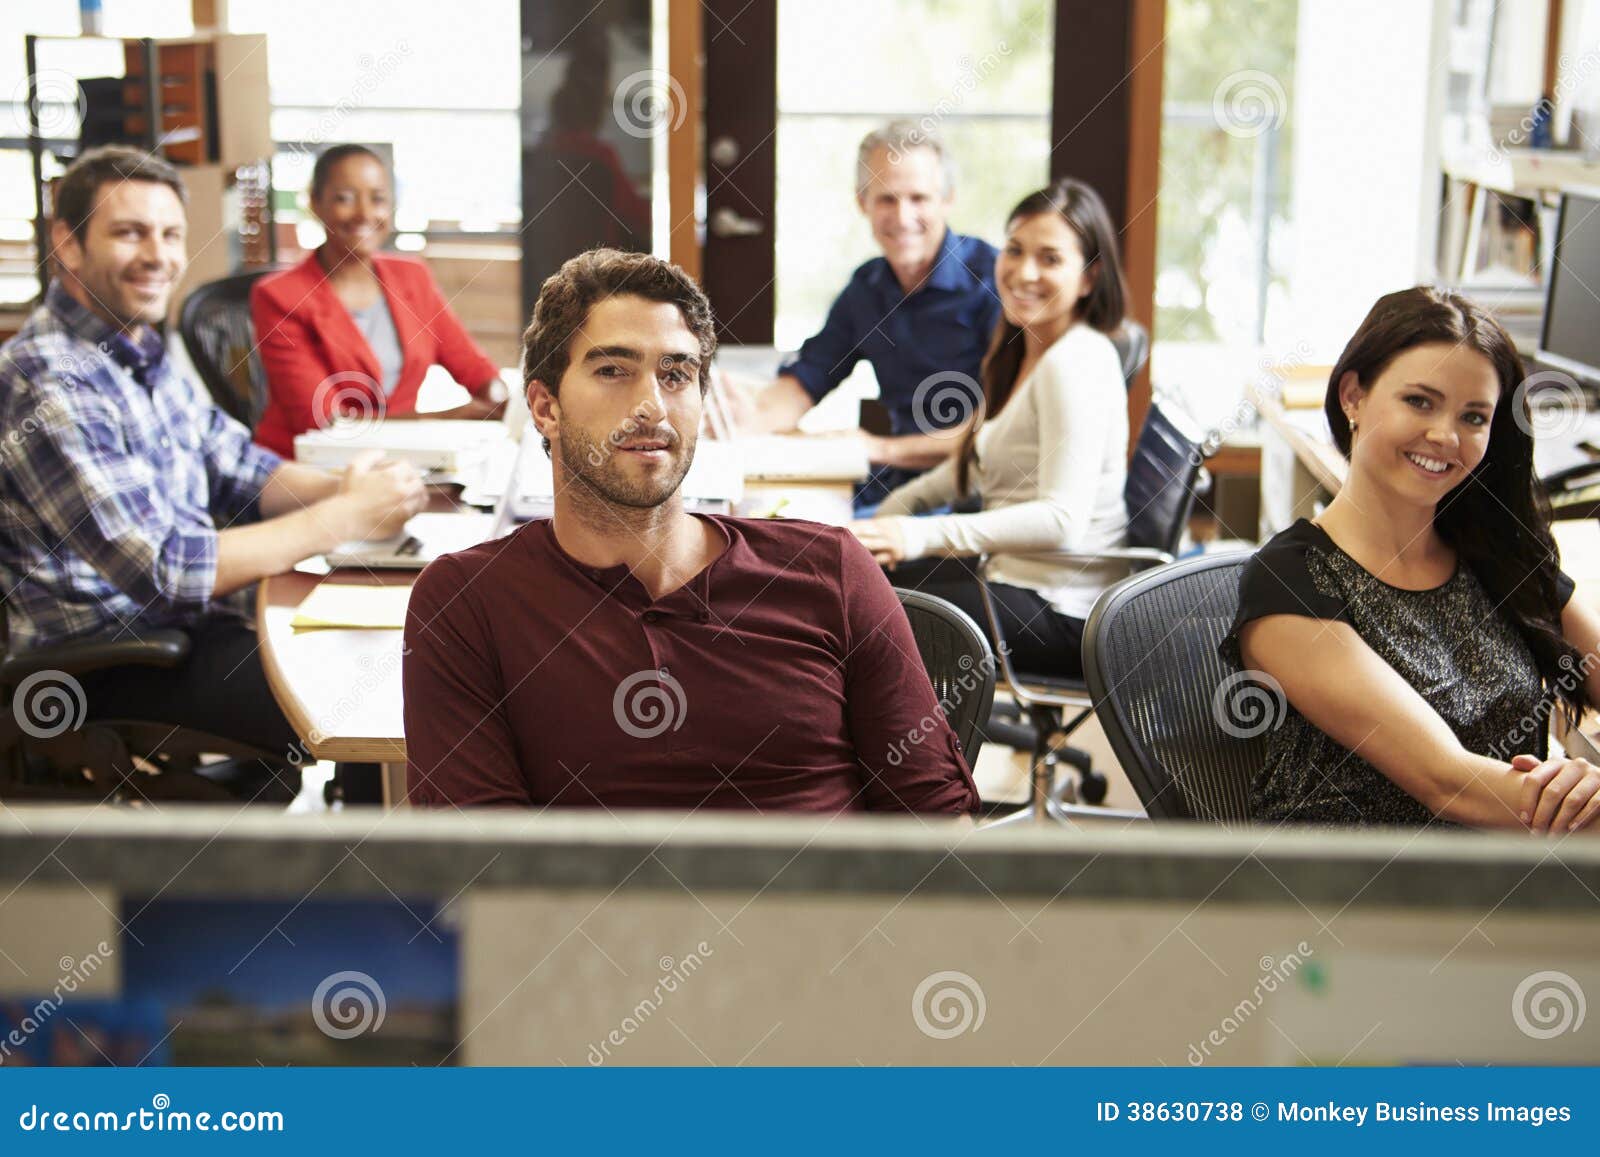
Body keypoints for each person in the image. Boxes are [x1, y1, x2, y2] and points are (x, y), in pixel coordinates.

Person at [402, 247, 979, 814]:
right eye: (612, 370)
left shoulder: (831, 569)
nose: (651, 405)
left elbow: (938, 828)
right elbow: (486, 876)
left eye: (676, 374)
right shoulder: (464, 603)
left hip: (829, 907)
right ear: (545, 407)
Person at [0, 146, 427, 800]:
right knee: (368, 688)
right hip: (109, 655)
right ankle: (380, 878)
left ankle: (369, 846)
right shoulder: (54, 384)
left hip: (179, 627)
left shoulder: (133, 345)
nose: (159, 255)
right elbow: (166, 569)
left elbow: (239, 466)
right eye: (129, 232)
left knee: (384, 654)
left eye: (170, 235)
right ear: (69, 244)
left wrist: (354, 488)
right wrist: (341, 518)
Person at [1223, 286, 1600, 833]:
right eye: (1419, 401)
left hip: (1504, 874)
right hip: (1360, 896)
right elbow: (1449, 785)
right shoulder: (1290, 584)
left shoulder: (1492, 553)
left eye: (1474, 417)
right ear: (1353, 395)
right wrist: (1581, 797)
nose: (1445, 435)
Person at [847, 178, 1131, 680]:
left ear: (1089, 278)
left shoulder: (1076, 362)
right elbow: (976, 462)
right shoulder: (1024, 346)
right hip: (1012, 579)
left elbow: (1063, 518)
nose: (1024, 272)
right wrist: (895, 513)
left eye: (1050, 259)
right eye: (1015, 250)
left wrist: (917, 536)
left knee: (852, 615)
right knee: (848, 578)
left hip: (1060, 611)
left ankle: (910, 756)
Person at [729, 121, 1000, 509]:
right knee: (772, 521)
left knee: (822, 547)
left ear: (948, 199)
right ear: (862, 202)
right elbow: (808, 378)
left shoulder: (993, 283)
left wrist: (878, 447)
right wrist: (742, 416)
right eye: (887, 199)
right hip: (894, 481)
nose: (903, 216)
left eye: (919, 198)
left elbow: (998, 430)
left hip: (969, 488)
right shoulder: (867, 289)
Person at [251, 144, 506, 458]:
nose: (365, 214)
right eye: (344, 198)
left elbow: (474, 368)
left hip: (401, 464)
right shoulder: (279, 297)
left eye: (378, 198)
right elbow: (327, 422)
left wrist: (499, 398)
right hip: (309, 469)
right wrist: (448, 419)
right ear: (315, 203)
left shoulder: (412, 277)